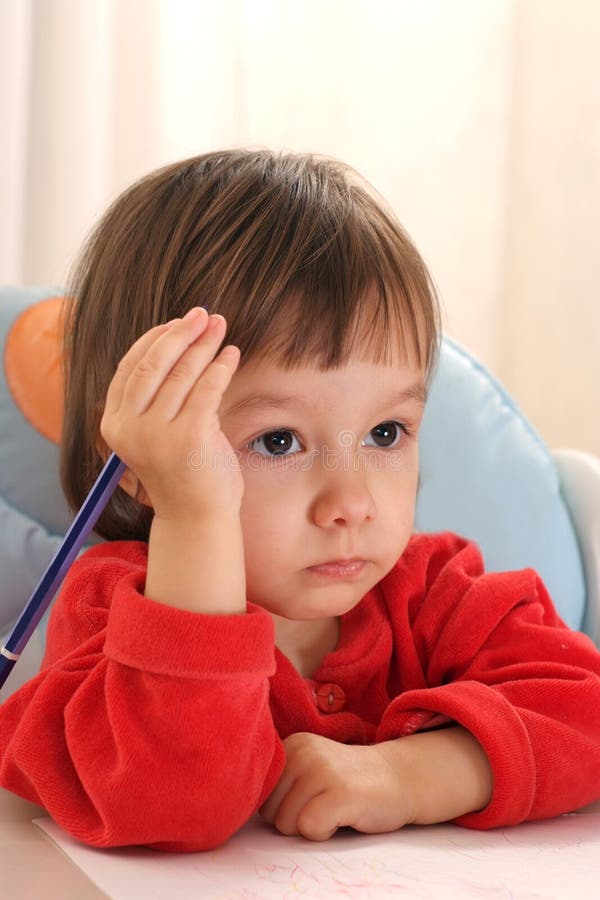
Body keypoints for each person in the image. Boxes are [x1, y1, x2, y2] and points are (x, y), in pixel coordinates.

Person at [1, 149, 600, 852]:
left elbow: (586, 717)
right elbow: (173, 805)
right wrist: (198, 518)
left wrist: (410, 774)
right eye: (279, 441)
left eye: (386, 432)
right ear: (139, 462)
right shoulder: (114, 610)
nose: (351, 502)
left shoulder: (440, 591)